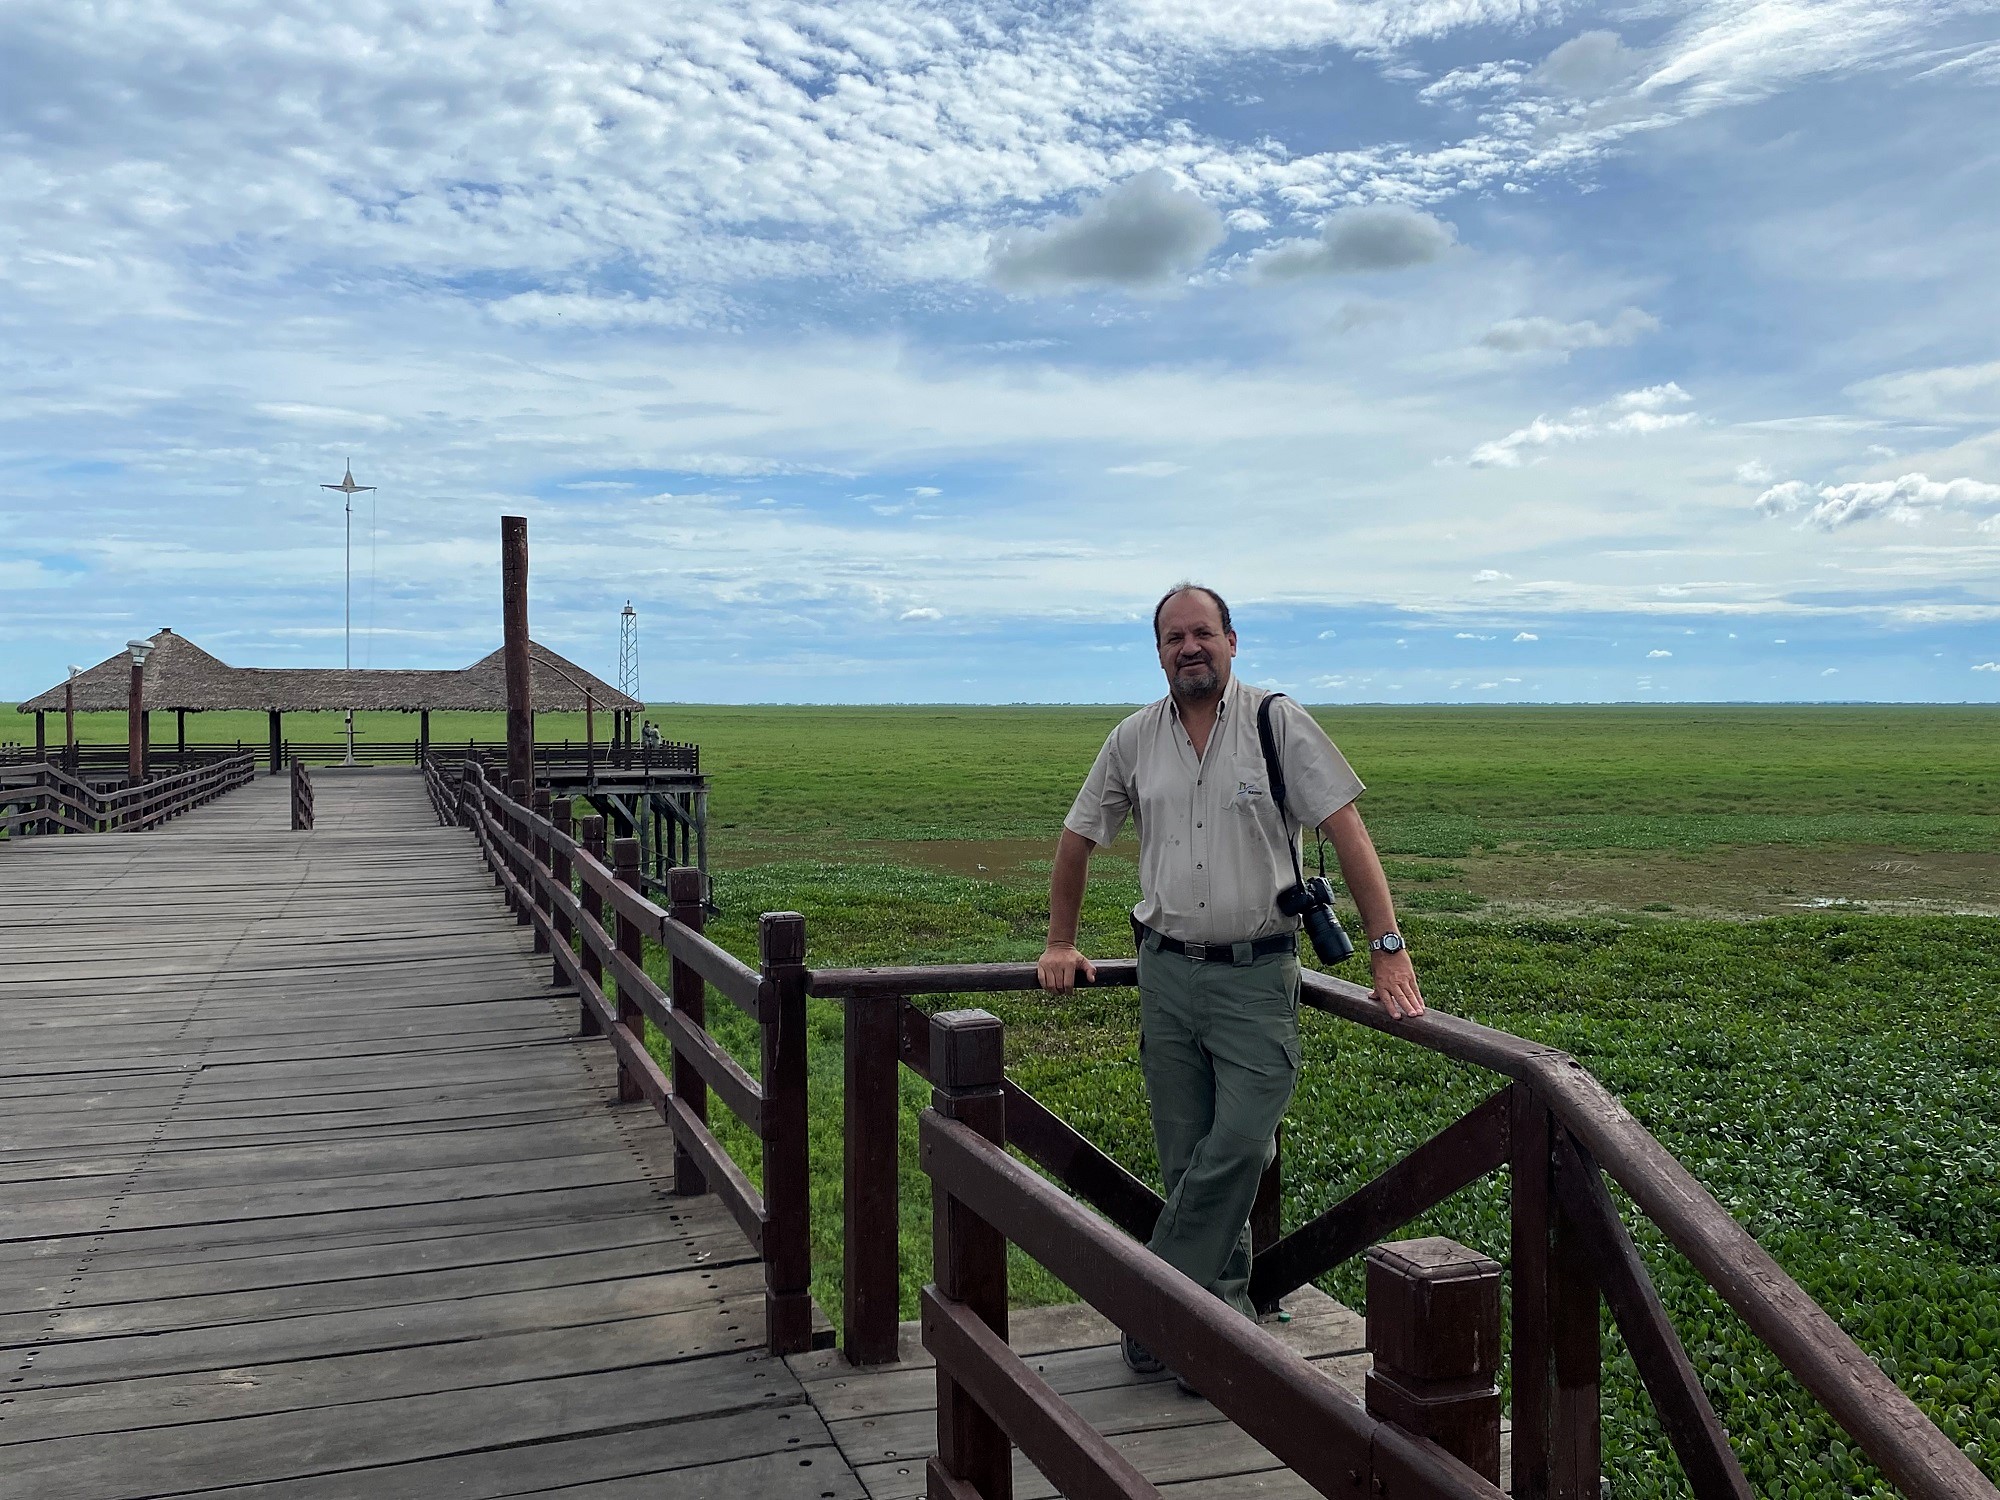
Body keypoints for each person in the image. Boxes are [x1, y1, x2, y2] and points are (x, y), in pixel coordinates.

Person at [1037, 583, 1425, 1377]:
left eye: (1203, 634)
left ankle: (1150, 1308)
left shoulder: (1276, 722)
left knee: (1241, 1146)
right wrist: (1060, 942)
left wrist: (1388, 945)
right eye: (1174, 637)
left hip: (1257, 976)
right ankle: (1216, 1331)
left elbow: (1345, 827)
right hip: (1166, 975)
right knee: (1187, 1162)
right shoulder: (1134, 739)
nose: (1189, 648)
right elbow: (1078, 838)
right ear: (1158, 652)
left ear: (1232, 641)